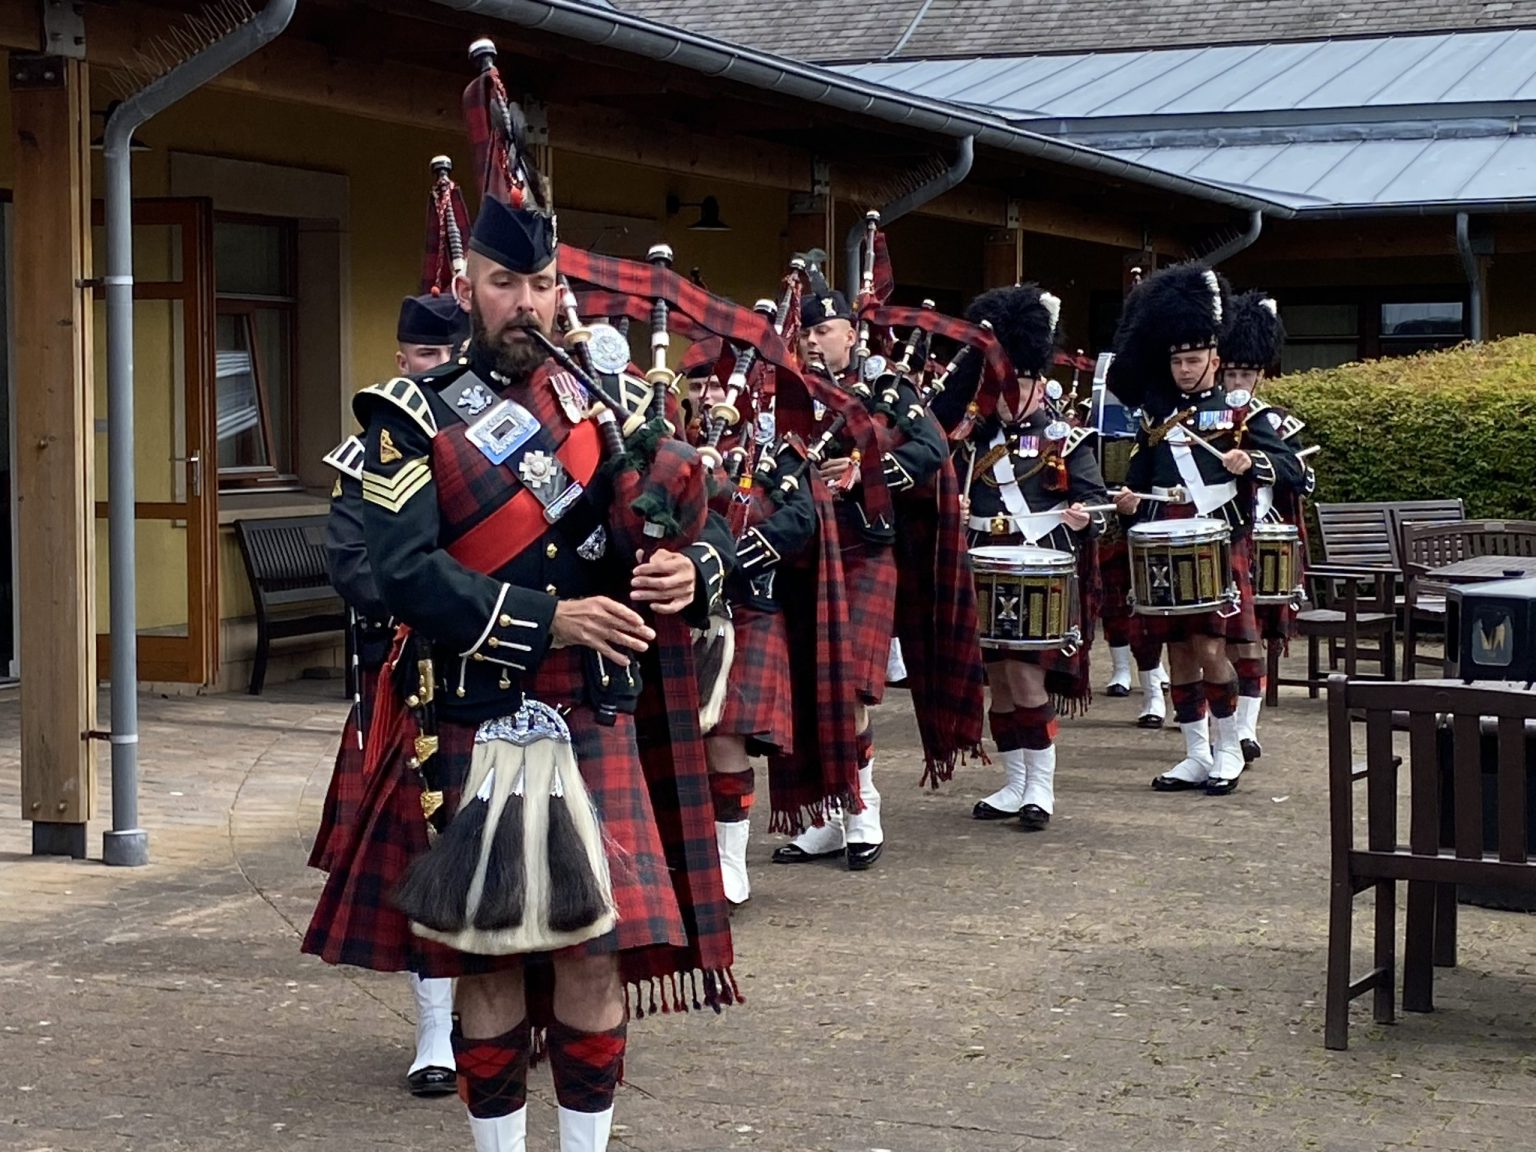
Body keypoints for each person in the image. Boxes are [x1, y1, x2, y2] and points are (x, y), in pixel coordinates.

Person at [303, 195, 736, 1152]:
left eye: (543, 284)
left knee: (595, 962)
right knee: (490, 962)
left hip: (594, 713)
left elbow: (718, 531)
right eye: (506, 284)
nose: (528, 303)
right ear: (469, 292)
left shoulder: (612, 410)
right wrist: (552, 621)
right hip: (474, 709)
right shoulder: (405, 418)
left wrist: (685, 568)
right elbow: (404, 574)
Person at [311, 290, 468, 1098]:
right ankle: (436, 1032)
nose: (438, 372)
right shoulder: (367, 456)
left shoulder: (504, 452)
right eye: (426, 358)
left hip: (503, 670)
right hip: (410, 678)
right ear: (403, 358)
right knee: (423, 853)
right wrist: (444, 599)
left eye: (451, 357)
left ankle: (514, 1012)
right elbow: (354, 565)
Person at [771, 273, 948, 870]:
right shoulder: (784, 394)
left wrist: (866, 473)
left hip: (863, 547)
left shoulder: (885, 388)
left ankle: (863, 805)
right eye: (807, 331)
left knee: (846, 687)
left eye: (825, 330)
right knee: (804, 686)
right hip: (801, 550)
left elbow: (932, 452)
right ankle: (825, 815)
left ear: (851, 331)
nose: (815, 341)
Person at [1108, 264, 1304, 796]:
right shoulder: (1158, 419)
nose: (1184, 369)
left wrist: (1251, 463)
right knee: (1179, 653)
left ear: (1215, 360)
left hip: (1220, 544)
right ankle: (1193, 754)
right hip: (1165, 547)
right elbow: (1137, 483)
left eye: (1193, 360)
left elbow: (1295, 471)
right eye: (1177, 361)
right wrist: (1127, 502)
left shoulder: (1243, 415)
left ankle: (1228, 749)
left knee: (1214, 649)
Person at [954, 285, 1108, 829]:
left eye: (1020, 382)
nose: (1011, 393)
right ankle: (1014, 782)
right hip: (982, 567)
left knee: (1024, 679)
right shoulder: (970, 442)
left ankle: (1041, 787)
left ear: (1041, 384)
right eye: (1002, 383)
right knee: (995, 679)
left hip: (1039, 571)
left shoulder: (1067, 440)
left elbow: (1097, 504)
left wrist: (1086, 516)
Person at [683, 348, 820, 904]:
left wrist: (732, 559)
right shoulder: (669, 441)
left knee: (726, 739)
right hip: (683, 612)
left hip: (748, 608)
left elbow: (800, 520)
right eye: (699, 385)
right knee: (682, 742)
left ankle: (729, 865)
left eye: (716, 385)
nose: (709, 395)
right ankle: (690, 860)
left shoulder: (773, 450)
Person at [1217, 291, 1314, 761]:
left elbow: (1299, 476)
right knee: (1216, 642)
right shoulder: (1202, 419)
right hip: (1221, 539)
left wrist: (1255, 461)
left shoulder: (1277, 424)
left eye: (1246, 373)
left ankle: (1247, 728)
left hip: (1264, 538)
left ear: (1261, 374)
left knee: (1251, 639)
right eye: (1231, 372)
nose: (1237, 381)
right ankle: (1219, 729)